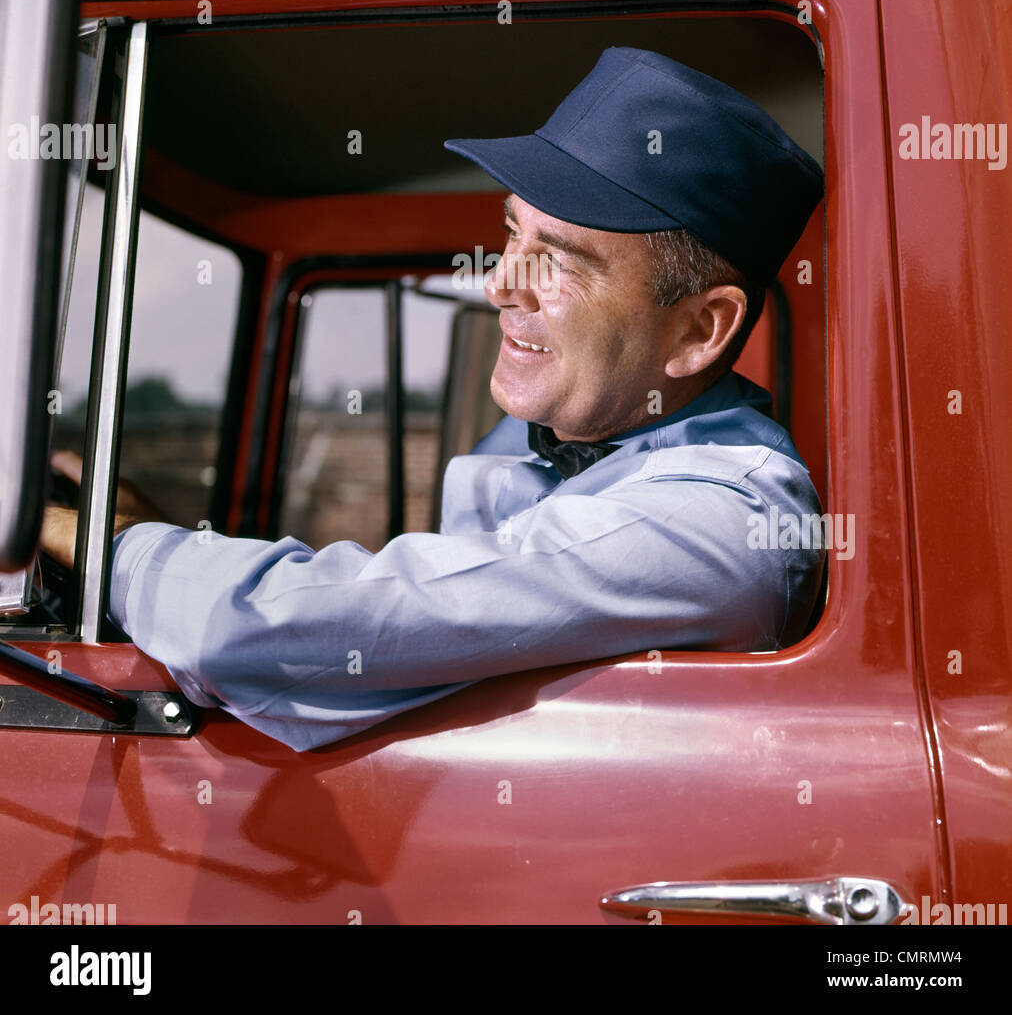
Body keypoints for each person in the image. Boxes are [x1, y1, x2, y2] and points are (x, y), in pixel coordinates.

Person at [42, 46, 826, 753]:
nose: (498, 285)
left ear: (699, 330)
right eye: (512, 233)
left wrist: (98, 545)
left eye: (559, 262)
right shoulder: (548, 434)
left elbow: (286, 630)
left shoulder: (715, 522)